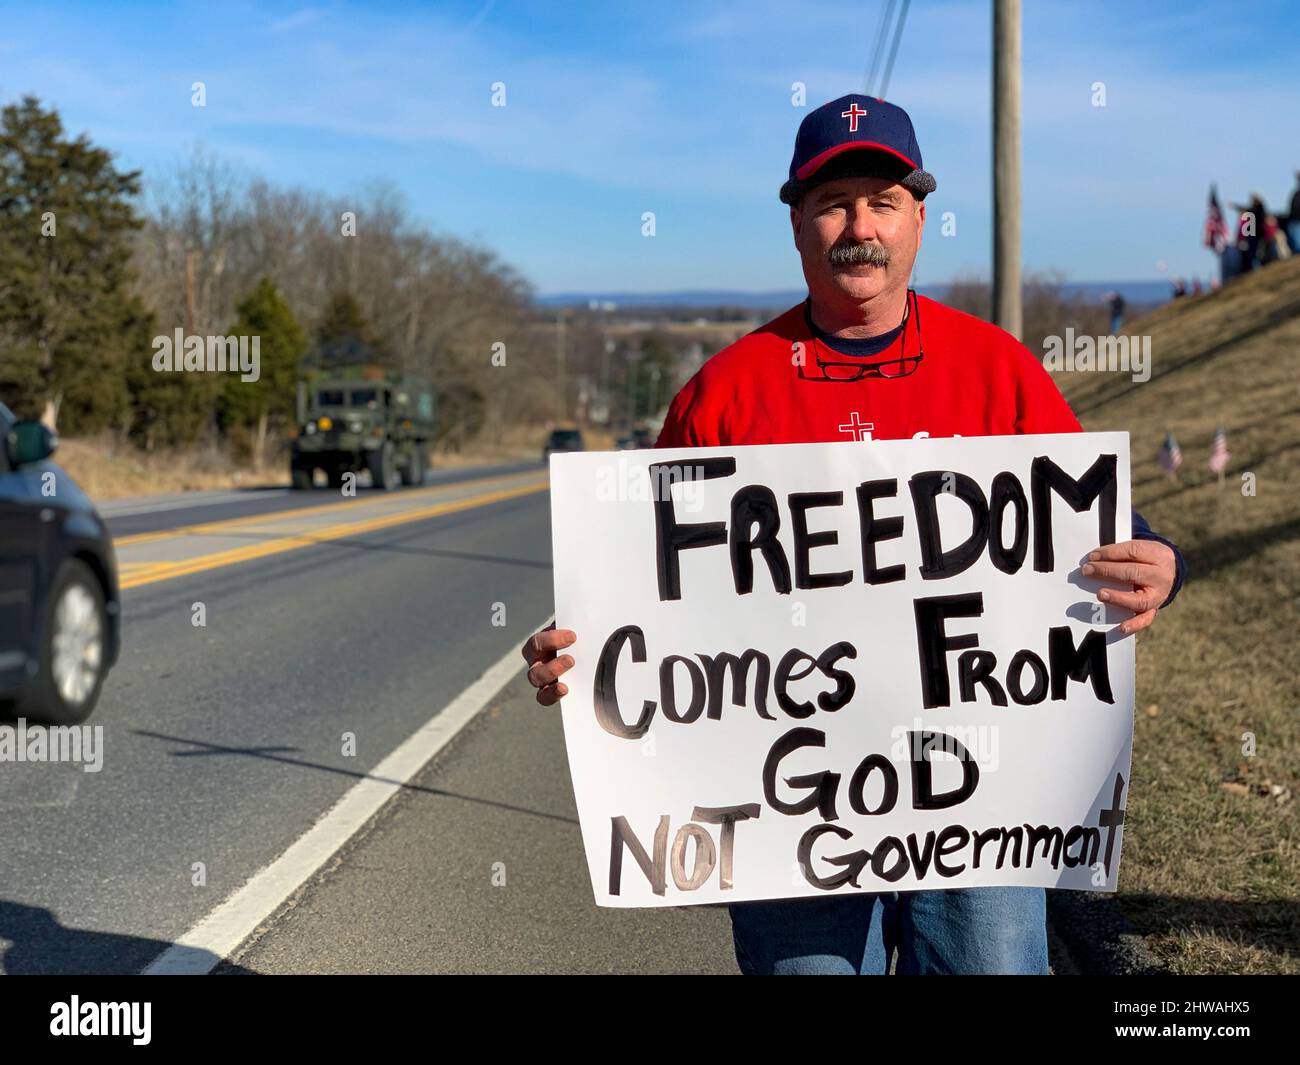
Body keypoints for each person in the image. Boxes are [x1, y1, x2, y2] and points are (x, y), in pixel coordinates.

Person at [522, 94, 1186, 976]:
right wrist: (583, 644)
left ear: (919, 217)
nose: (857, 226)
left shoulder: (998, 370)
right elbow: (648, 580)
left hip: (980, 789)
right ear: (797, 222)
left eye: (881, 199)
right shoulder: (722, 393)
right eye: (832, 203)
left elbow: (1087, 518)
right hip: (789, 807)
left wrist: (1156, 557)